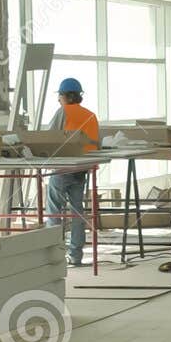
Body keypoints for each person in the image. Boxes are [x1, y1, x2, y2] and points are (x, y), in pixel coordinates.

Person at [46, 77, 100, 268]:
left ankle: (53, 255)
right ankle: (76, 256)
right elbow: (95, 143)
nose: (58, 100)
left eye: (59, 96)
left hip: (63, 167)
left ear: (65, 96)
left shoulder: (63, 112)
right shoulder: (91, 115)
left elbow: (49, 137)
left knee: (54, 211)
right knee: (77, 212)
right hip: (82, 169)